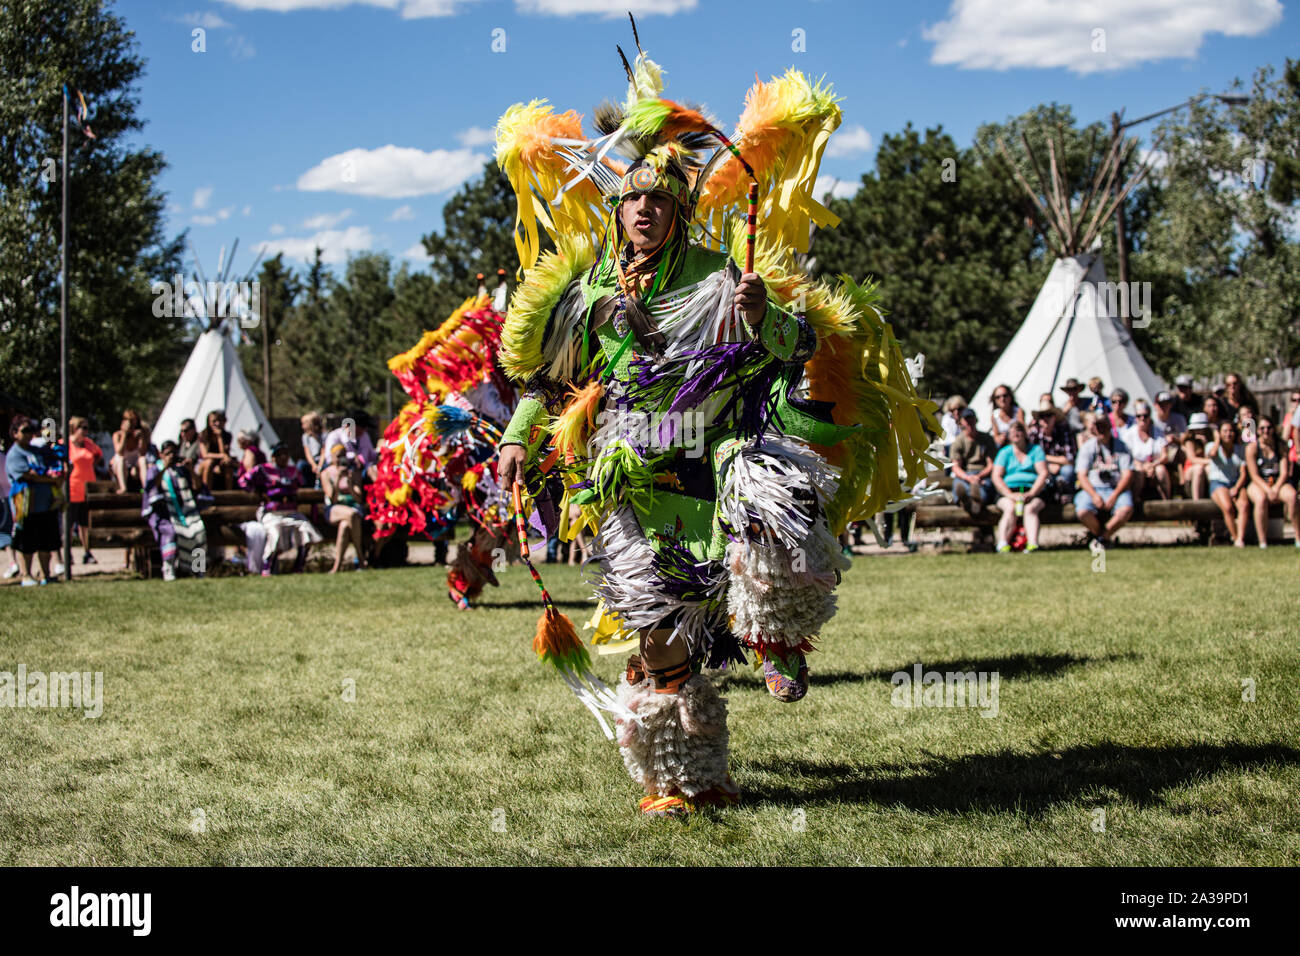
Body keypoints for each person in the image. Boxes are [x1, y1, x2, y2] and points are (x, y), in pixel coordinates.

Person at [492, 47, 934, 816]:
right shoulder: (593, 286)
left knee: (777, 520)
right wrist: (514, 440)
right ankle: (686, 779)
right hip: (636, 474)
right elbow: (551, 381)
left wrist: (764, 316)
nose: (643, 211)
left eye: (659, 201)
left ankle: (779, 634)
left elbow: (795, 350)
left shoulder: (720, 276)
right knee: (659, 633)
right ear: (617, 209)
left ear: (679, 208)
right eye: (632, 201)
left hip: (718, 460)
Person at [240, 442, 322, 574]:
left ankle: (298, 567)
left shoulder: (293, 471)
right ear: (273, 457)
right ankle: (268, 567)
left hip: (291, 512)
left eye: (285, 454)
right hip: (271, 512)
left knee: (306, 529)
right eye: (279, 454)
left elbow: (302, 483)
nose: (283, 457)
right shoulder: (263, 469)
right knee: (275, 532)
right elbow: (243, 481)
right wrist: (257, 491)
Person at [5, 417, 64, 585]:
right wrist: (49, 479)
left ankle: (46, 574)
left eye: (31, 430)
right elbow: (28, 475)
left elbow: (52, 467)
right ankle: (26, 575)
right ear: (14, 433)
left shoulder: (37, 451)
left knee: (46, 542)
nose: (29, 433)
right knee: (26, 544)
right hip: (26, 507)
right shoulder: (14, 454)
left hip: (46, 504)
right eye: (24, 430)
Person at [1074, 412, 1134, 548]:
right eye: (1098, 427)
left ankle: (1102, 538)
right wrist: (1094, 496)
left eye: (1104, 426)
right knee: (1082, 511)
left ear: (1110, 427)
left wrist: (1114, 495)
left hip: (1116, 489)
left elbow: (1127, 475)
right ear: (1094, 428)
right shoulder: (1088, 447)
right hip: (1093, 489)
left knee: (1125, 509)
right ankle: (1101, 537)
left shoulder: (1122, 447)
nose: (1101, 430)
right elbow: (1081, 475)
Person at [992, 420, 1048, 553]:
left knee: (1031, 509)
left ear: (1025, 433)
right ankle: (1003, 544)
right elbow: (996, 476)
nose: (1016, 434)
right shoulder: (1004, 452)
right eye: (1012, 431)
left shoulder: (1035, 450)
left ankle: (1032, 544)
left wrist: (1032, 493)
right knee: (1009, 508)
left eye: (1019, 430)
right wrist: (1010, 495)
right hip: (1009, 492)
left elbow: (1043, 473)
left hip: (1033, 491)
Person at [1242, 416, 1297, 549]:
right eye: (1262, 428)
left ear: (1273, 429)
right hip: (1259, 484)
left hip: (1278, 483)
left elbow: (1284, 472)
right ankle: (1262, 541)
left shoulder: (1281, 446)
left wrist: (1276, 489)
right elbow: (1254, 475)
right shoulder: (1252, 448)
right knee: (1261, 499)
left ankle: (1298, 538)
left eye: (1269, 428)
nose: (1266, 431)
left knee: (1293, 496)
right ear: (1258, 430)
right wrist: (1268, 490)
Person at [320, 442, 367, 573]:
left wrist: (350, 484)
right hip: (334, 509)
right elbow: (332, 499)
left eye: (343, 455)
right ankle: (360, 555)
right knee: (351, 515)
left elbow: (359, 498)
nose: (341, 458)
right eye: (338, 456)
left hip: (353, 506)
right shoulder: (326, 473)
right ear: (332, 457)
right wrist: (338, 479)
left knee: (345, 526)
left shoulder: (354, 471)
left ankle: (336, 566)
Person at [1203, 420, 1249, 547]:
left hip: (1235, 482)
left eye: (1231, 431)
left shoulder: (1239, 449)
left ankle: (1241, 537)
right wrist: (1218, 440)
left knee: (1243, 505)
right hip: (1218, 483)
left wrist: (1236, 488)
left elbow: (1243, 473)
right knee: (1228, 507)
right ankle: (1235, 538)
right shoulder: (1211, 446)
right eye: (1225, 431)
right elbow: (1212, 455)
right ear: (1219, 433)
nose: (1228, 434)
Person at [66, 417, 104, 564]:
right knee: (69, 525)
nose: (85, 431)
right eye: (83, 427)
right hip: (72, 489)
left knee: (85, 524)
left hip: (88, 489)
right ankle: (67, 554)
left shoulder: (88, 444)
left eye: (87, 427)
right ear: (74, 428)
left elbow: (98, 456)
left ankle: (87, 552)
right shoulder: (66, 444)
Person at [949, 407, 998, 514]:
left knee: (985, 488)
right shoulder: (959, 441)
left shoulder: (986, 439)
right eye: (966, 420)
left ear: (976, 420)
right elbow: (955, 467)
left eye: (971, 419)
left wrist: (979, 477)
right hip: (965, 475)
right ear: (961, 422)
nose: (969, 422)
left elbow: (991, 464)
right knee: (959, 485)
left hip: (983, 475)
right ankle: (970, 502)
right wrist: (968, 478)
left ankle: (972, 502)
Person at [1028, 401, 1076, 501]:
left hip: (1061, 470)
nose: (1045, 419)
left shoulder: (1064, 431)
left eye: (1048, 415)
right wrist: (1049, 466)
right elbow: (1029, 458)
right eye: (1042, 416)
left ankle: (1065, 497)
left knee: (1068, 471)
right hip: (1041, 470)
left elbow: (1070, 460)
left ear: (1054, 417)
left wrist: (1044, 459)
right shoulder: (1033, 433)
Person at [1125, 400, 1170, 500]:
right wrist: (1143, 466)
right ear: (1135, 417)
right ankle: (1135, 502)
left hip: (1155, 464)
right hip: (1137, 465)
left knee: (1161, 471)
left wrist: (1152, 465)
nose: (1142, 418)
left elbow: (1165, 456)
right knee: (1139, 471)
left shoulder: (1158, 431)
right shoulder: (1129, 434)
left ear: (1150, 416)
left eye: (1145, 415)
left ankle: (1167, 501)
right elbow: (1127, 457)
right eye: (1139, 416)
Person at [109, 409, 147, 493]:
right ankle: (123, 488)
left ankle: (146, 488)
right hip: (121, 468)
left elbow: (142, 453)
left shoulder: (139, 434)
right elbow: (119, 452)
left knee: (142, 459)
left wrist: (141, 439)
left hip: (135, 470)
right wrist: (124, 434)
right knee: (120, 458)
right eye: (128, 420)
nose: (130, 423)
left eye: (133, 420)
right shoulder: (117, 435)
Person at [197, 410, 236, 490]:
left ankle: (229, 493)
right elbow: (205, 455)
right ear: (209, 422)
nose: (217, 424)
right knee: (209, 462)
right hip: (203, 464)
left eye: (219, 421)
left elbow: (224, 453)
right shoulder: (203, 435)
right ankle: (206, 491)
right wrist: (222, 455)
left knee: (228, 464)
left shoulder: (227, 435)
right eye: (214, 421)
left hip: (219, 463)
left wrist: (219, 437)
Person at [1181, 412, 1215, 499]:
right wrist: (1210, 462)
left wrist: (1205, 444)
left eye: (1201, 429)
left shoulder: (1210, 441)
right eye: (1196, 429)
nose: (1198, 431)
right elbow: (1193, 459)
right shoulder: (1189, 441)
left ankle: (1214, 495)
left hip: (1204, 468)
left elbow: (1210, 456)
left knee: (1209, 469)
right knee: (1199, 468)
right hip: (1191, 470)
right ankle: (1197, 500)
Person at [299, 412, 327, 488]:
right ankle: (306, 486)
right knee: (301, 465)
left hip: (322, 461)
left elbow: (323, 451)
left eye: (303, 424)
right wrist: (313, 465)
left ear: (310, 424)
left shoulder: (324, 435)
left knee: (326, 467)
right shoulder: (306, 437)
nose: (302, 426)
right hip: (312, 462)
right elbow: (307, 453)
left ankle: (323, 486)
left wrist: (319, 466)